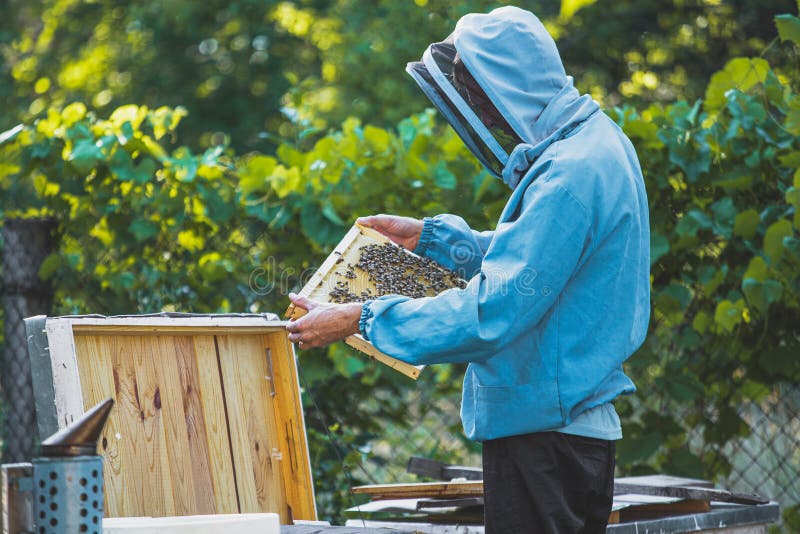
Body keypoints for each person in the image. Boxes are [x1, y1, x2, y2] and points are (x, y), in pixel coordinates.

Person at [287, 6, 650, 533]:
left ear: (509, 84)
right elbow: (539, 264)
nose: (490, 117)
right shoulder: (597, 145)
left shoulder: (570, 174)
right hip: (564, 435)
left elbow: (492, 311)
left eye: (483, 100)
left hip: (546, 440)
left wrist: (361, 318)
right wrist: (434, 240)